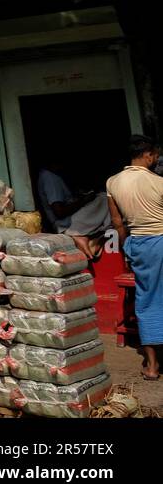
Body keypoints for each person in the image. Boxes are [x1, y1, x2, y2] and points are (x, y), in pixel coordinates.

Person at [107, 134, 163, 381]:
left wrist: (126, 251)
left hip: (139, 244)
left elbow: (117, 223)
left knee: (146, 301)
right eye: (156, 155)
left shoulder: (112, 182)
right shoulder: (158, 182)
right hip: (160, 238)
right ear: (148, 155)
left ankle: (152, 366)